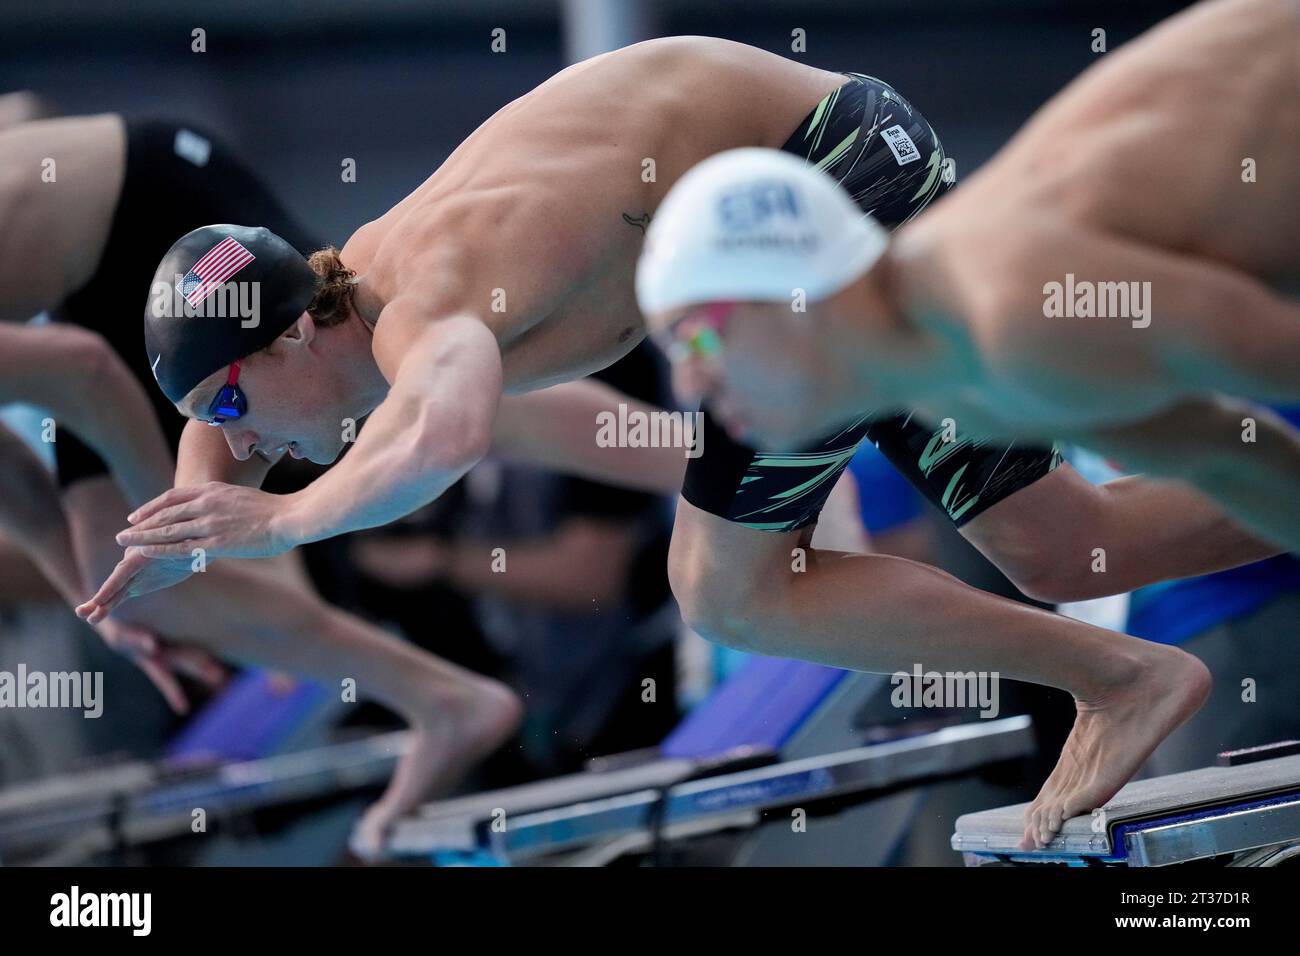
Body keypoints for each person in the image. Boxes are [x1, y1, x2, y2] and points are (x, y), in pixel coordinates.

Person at [86, 37, 1279, 851]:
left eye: (235, 414)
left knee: (724, 583)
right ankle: (1166, 624)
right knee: (1064, 548)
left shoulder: (430, 301)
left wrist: (285, 521)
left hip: (818, 180)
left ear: (296, 338)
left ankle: (1110, 676)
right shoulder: (350, 335)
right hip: (822, 177)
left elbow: (442, 437)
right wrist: (188, 539)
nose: (242, 450)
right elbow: (616, 433)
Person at [0, 108, 524, 852]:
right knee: (134, 572)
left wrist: (176, 537)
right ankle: (447, 700)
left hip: (153, 204)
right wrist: (98, 598)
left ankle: (686, 459)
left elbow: (83, 373)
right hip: (88, 280)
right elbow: (13, 477)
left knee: (393, 371)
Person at [637, 0, 1300, 555]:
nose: (689, 382)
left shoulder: (1010, 309)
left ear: (787, 295)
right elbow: (1229, 460)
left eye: (693, 338)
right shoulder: (962, 397)